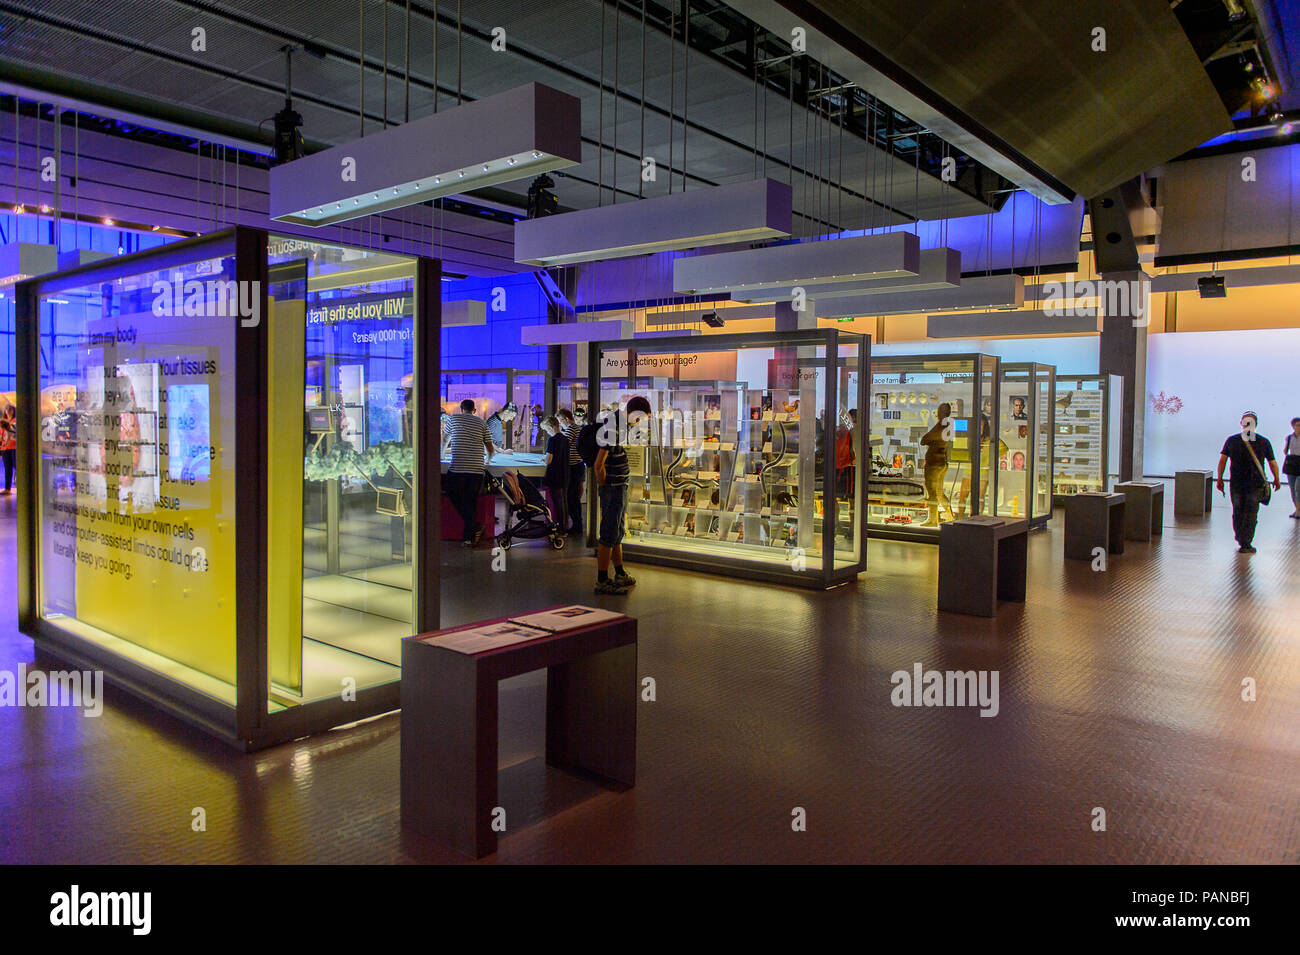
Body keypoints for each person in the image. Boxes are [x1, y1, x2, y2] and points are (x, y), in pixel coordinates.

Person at [593, 397, 649, 595]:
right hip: (613, 487)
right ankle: (602, 579)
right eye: (641, 418)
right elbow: (598, 464)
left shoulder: (620, 425)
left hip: (618, 485)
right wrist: (605, 486)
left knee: (617, 531)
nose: (640, 422)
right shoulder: (613, 427)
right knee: (609, 532)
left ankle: (619, 572)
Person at [1216, 411, 1281, 554]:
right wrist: (1276, 478)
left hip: (1237, 483)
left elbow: (1223, 461)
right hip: (1255, 484)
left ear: (1241, 423)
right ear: (1255, 424)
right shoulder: (1263, 441)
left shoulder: (1232, 440)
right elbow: (1272, 462)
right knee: (1251, 513)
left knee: (1238, 511)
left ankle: (1241, 538)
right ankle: (1246, 542)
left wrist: (1220, 478)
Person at [443, 398, 497, 547]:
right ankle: (469, 537)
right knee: (470, 502)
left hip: (457, 468)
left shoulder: (453, 419)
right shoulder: (482, 423)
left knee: (451, 492)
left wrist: (441, 456)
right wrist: (487, 460)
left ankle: (473, 529)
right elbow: (490, 450)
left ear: (461, 409)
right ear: (474, 411)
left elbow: (444, 440)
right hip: (475, 471)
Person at [920, 402, 955, 527]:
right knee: (939, 492)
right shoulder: (948, 425)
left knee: (933, 492)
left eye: (940, 411)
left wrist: (929, 440)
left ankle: (933, 520)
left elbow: (924, 440)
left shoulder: (942, 425)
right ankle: (951, 516)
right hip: (941, 462)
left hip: (934, 463)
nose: (938, 413)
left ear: (945, 412)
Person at [557, 407, 585, 536]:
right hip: (577, 466)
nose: (560, 424)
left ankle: (577, 525)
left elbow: (563, 446)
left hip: (573, 467)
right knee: (574, 497)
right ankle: (576, 523)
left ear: (566, 419)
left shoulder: (571, 429)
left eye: (560, 421)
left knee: (572, 498)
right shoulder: (576, 429)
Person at [540, 414, 569, 535]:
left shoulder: (552, 440)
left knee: (557, 502)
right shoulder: (565, 439)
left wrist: (544, 459)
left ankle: (561, 528)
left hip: (554, 475)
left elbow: (549, 459)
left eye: (547, 429)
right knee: (563, 501)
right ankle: (564, 526)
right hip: (565, 475)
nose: (547, 432)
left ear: (551, 427)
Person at [834, 408, 857, 500]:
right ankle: (852, 513)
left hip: (843, 465)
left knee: (836, 496)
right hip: (847, 465)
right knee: (850, 496)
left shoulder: (843, 430)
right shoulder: (848, 430)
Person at [0, 405, 15, 495]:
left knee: (16, 466)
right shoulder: (3, 422)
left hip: (13, 447)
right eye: (7, 409)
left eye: (10, 409)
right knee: (7, 468)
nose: (8, 411)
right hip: (5, 448)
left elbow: (13, 433)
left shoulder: (15, 421)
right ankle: (7, 488)